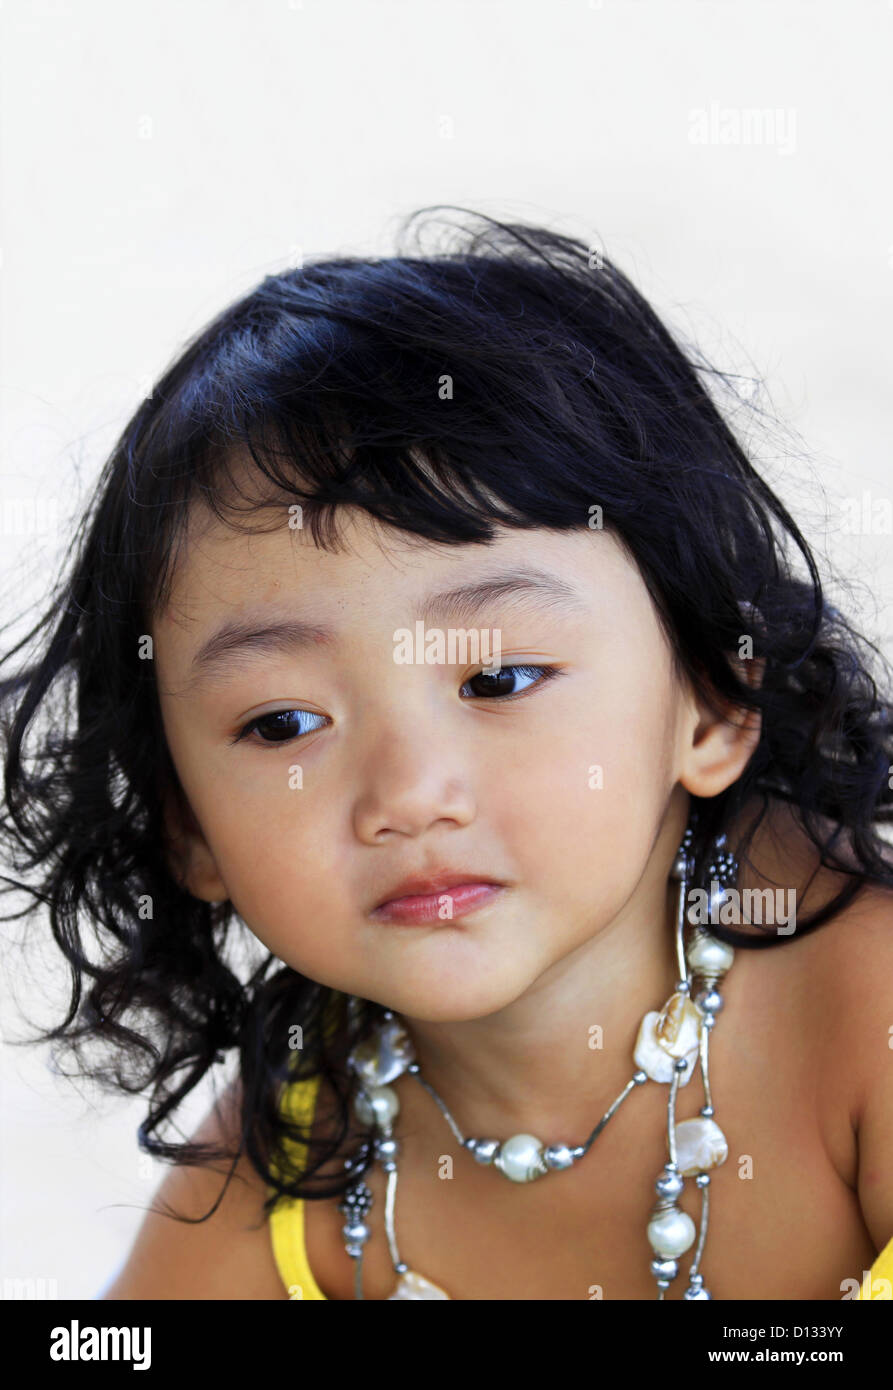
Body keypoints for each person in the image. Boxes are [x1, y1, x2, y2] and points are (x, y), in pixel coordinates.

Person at [2, 207, 892, 1301]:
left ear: (707, 698)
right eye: (281, 723)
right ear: (188, 824)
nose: (408, 795)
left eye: (497, 680)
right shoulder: (294, 1148)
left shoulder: (862, 1012)